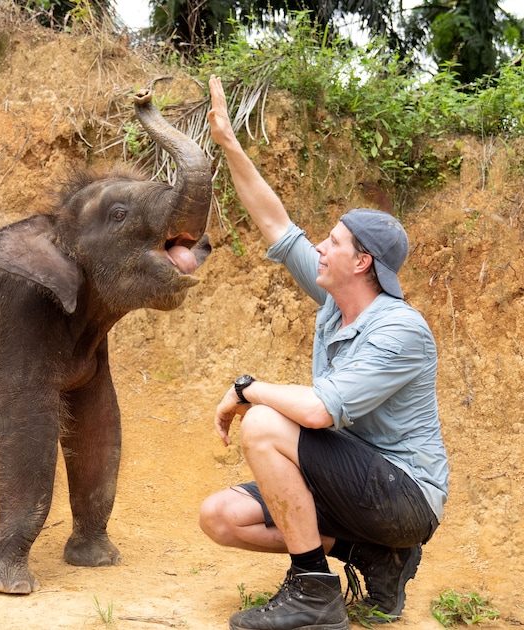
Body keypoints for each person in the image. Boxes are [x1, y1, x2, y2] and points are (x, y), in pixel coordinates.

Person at [199, 75, 450, 630]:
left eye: (333, 242)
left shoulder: (400, 330)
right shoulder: (338, 302)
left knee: (264, 422)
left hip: (403, 495)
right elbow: (276, 223)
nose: (319, 246)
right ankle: (373, 558)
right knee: (221, 517)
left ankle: (312, 588)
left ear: (361, 263)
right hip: (350, 482)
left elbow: (317, 412)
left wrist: (246, 390)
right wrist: (228, 143)